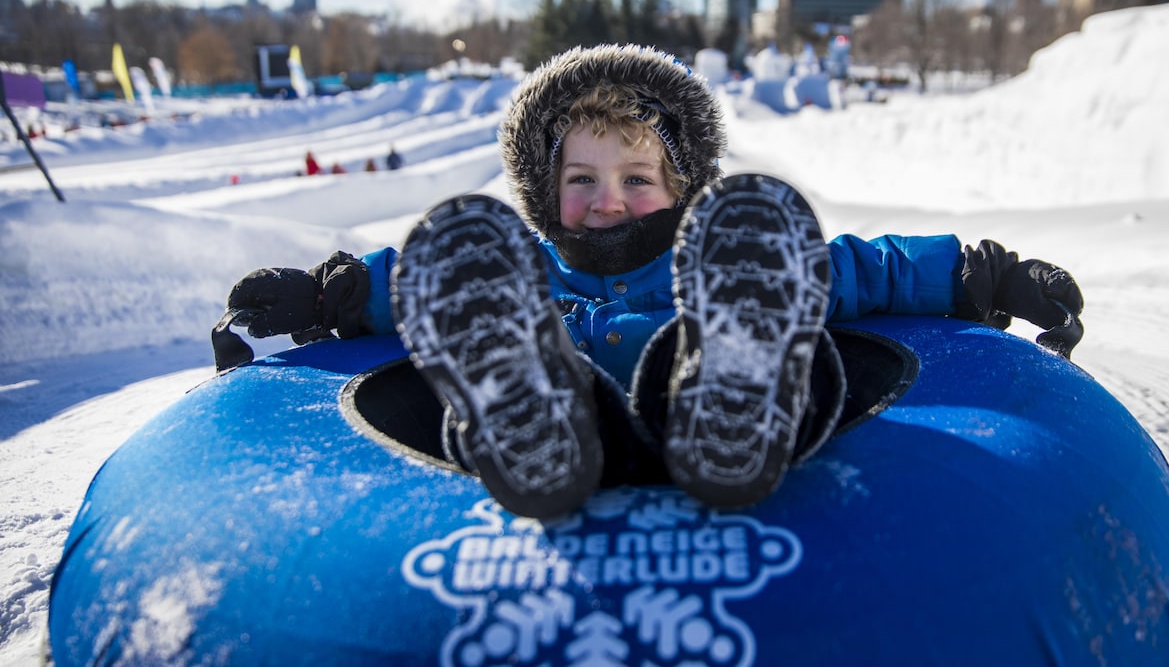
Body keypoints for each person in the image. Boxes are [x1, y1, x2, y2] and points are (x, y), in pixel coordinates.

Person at [225, 44, 1083, 519]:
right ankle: (529, 415)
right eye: (581, 180)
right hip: (574, 433)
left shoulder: (721, 265)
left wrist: (980, 275)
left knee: (757, 256)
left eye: (636, 178)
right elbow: (416, 286)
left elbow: (860, 269)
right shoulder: (523, 269)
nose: (608, 200)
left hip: (706, 423)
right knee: (467, 259)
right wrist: (329, 295)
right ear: (545, 192)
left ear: (678, 187)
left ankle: (737, 393)